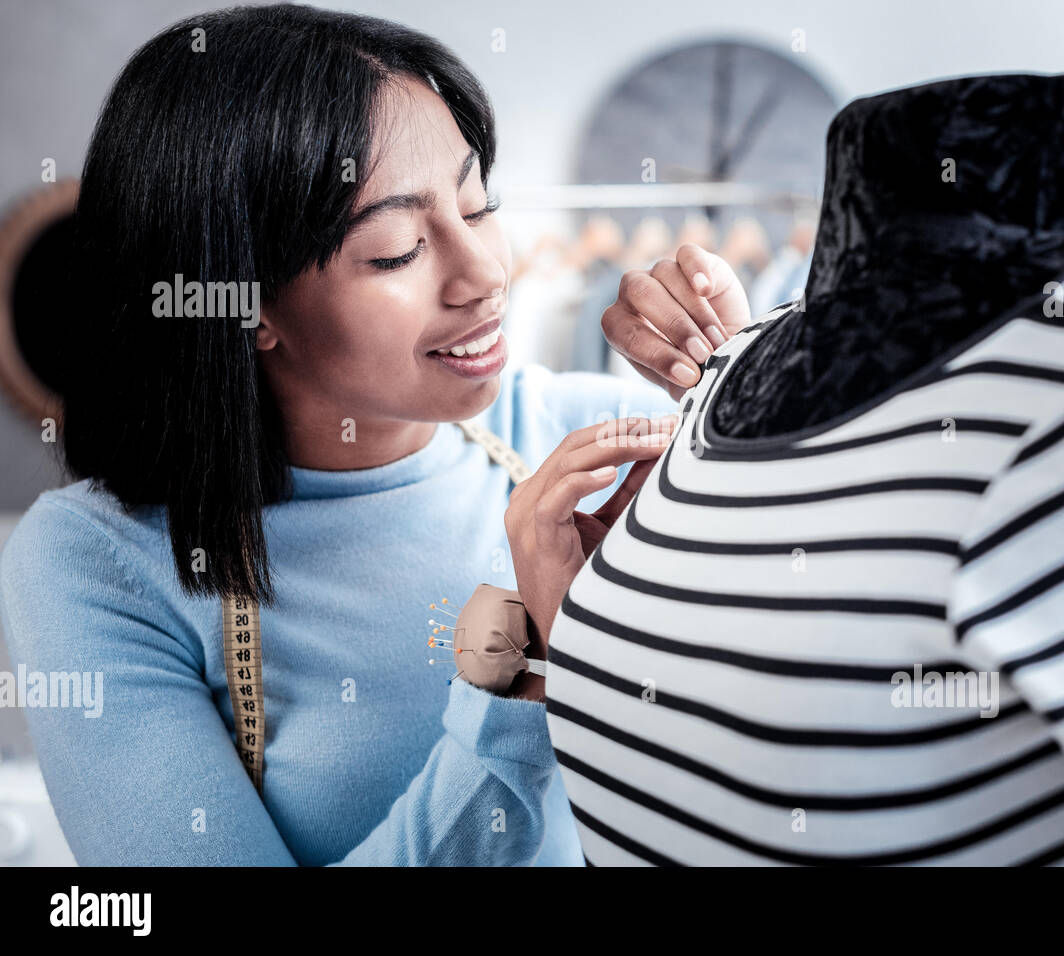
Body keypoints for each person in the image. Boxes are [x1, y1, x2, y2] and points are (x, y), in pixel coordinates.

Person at [0, 4, 750, 866]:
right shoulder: (100, 563)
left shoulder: (587, 441)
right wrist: (520, 661)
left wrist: (749, 387)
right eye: (398, 250)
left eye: (478, 205)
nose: (485, 275)